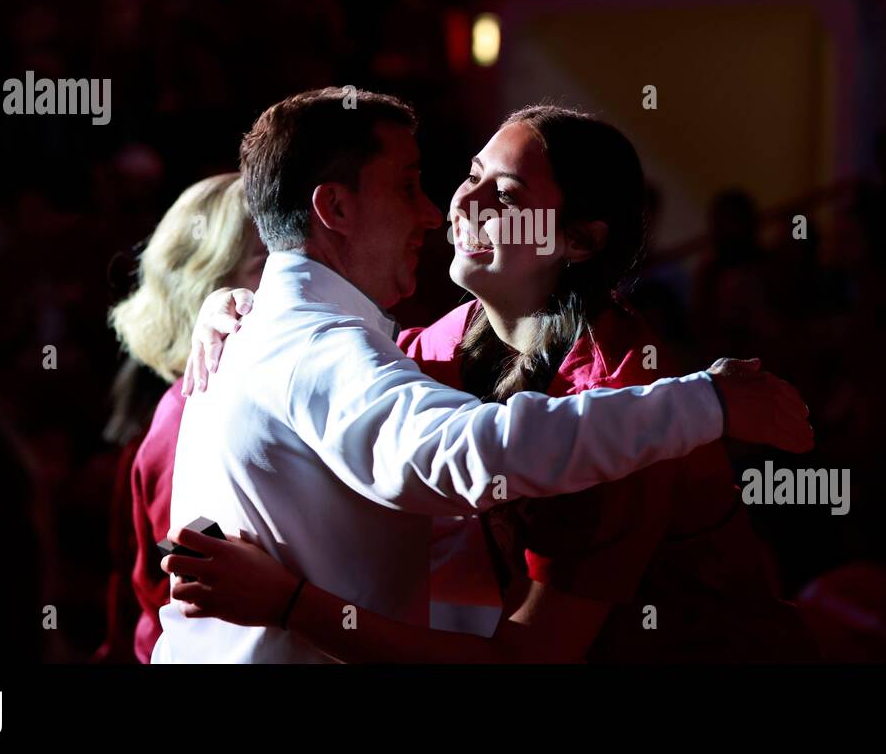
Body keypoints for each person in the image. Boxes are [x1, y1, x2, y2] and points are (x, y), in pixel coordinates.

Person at [161, 95, 815, 662]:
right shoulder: (427, 345)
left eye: (504, 197)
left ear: (578, 242)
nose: (454, 207)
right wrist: (245, 304)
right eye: (467, 177)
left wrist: (292, 605)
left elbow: (525, 655)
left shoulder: (622, 404)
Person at [96, 173, 266, 663]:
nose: (296, 278)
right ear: (205, 288)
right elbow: (212, 607)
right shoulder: (185, 427)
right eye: (266, 264)